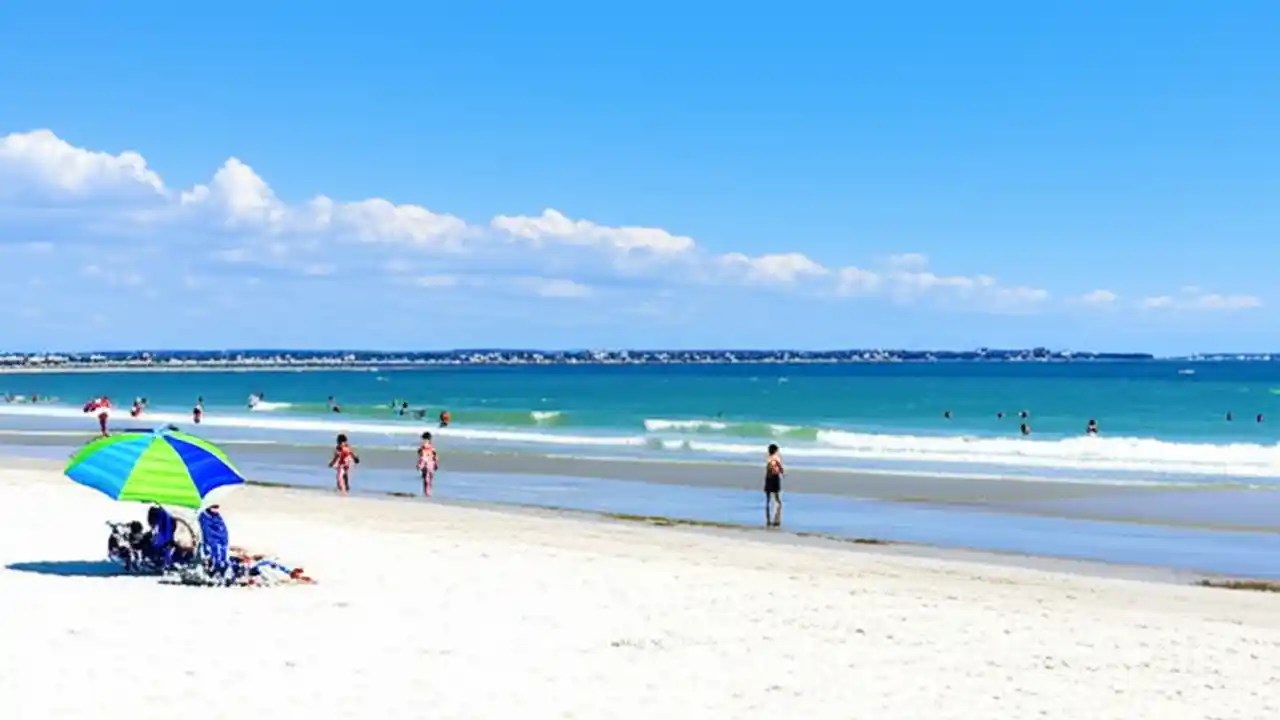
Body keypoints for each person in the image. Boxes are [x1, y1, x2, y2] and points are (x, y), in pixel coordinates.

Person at [199, 504, 231, 580]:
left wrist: (224, 541)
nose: (216, 509)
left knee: (223, 555)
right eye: (214, 507)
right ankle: (214, 571)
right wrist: (213, 541)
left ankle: (222, 570)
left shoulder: (218, 517)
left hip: (220, 541)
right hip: (212, 542)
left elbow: (224, 531)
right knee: (216, 553)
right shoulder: (205, 517)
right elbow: (207, 532)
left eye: (217, 507)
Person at [764, 443, 784, 528]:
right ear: (775, 451)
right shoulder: (776, 458)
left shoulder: (768, 458)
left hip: (768, 478)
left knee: (768, 498)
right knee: (777, 498)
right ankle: (777, 518)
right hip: (774, 478)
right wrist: (782, 472)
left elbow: (769, 468)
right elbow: (779, 468)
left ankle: (768, 519)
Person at [417, 431, 438, 497]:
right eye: (424, 440)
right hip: (425, 465)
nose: (424, 441)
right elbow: (421, 457)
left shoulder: (432, 448)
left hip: (430, 464)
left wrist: (436, 463)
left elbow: (435, 456)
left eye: (425, 439)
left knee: (429, 479)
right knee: (426, 479)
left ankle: (428, 491)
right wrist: (419, 464)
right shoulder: (421, 448)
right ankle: (426, 493)